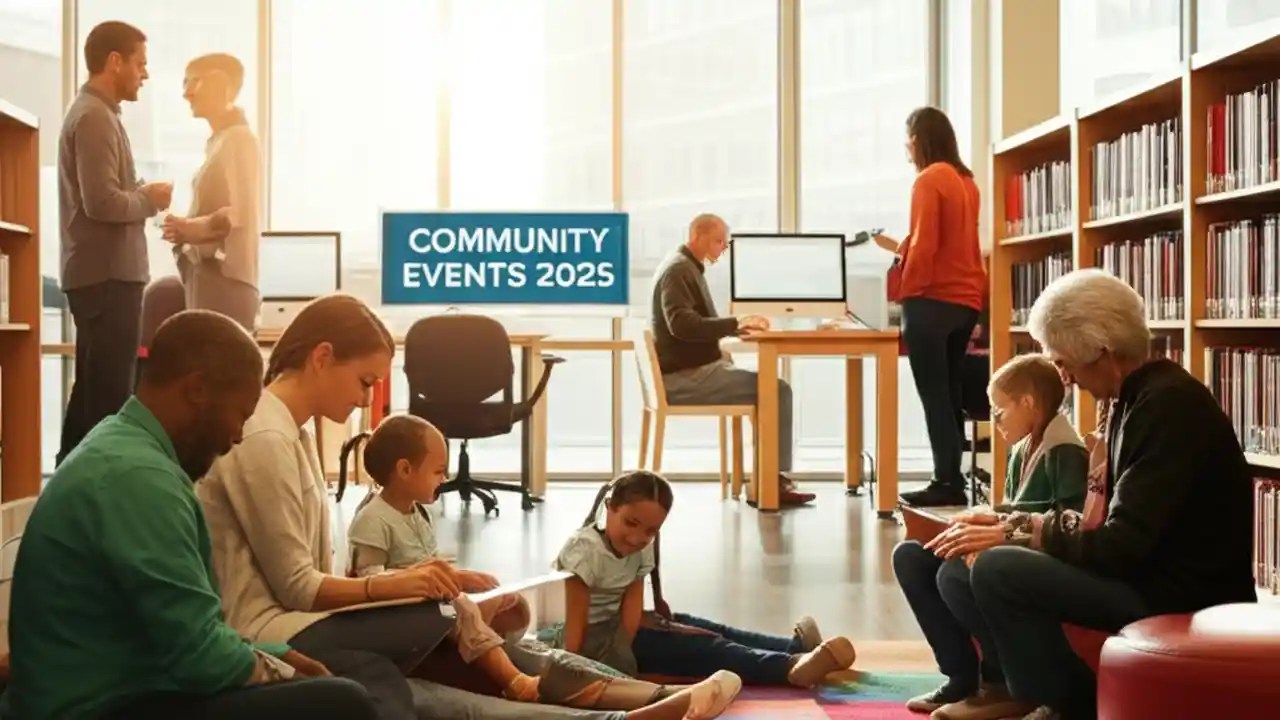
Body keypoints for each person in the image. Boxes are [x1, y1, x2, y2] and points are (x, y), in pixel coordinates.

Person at [198, 296, 738, 720]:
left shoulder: (288, 434)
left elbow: (309, 575)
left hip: (304, 620)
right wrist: (403, 586)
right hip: (278, 628)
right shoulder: (265, 437)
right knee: (451, 618)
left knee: (450, 656)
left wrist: (417, 579)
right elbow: (296, 587)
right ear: (321, 358)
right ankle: (633, 707)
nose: (367, 399)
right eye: (365, 381)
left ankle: (644, 700)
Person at [0, 311, 396, 720]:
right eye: (240, 414)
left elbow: (181, 633)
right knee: (341, 702)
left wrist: (278, 655)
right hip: (102, 704)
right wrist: (277, 668)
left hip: (118, 683)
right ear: (197, 390)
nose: (238, 435)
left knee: (337, 682)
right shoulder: (141, 479)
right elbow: (199, 657)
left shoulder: (120, 446)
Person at [967, 269, 1256, 719]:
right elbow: (1104, 525)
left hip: (1178, 591)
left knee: (999, 567)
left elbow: (1121, 545)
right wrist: (1016, 527)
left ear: (1101, 353)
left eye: (1065, 363)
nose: (1065, 379)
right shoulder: (1131, 400)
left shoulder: (1166, 407)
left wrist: (1025, 530)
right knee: (975, 561)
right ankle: (1040, 697)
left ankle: (1072, 704)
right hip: (1143, 573)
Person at [892, 353, 1088, 719]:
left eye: (999, 412)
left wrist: (998, 525)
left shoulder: (1066, 451)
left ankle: (1001, 682)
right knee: (911, 556)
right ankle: (961, 676)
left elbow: (1069, 520)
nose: (994, 422)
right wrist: (981, 517)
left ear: (1027, 404)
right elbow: (1016, 505)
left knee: (953, 572)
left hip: (1031, 560)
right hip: (1004, 545)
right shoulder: (1020, 449)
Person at [544, 471, 855, 686]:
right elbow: (572, 621)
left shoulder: (640, 547)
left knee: (703, 627)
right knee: (707, 649)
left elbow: (632, 610)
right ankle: (788, 668)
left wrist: (648, 633)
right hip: (590, 642)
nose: (638, 537)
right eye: (631, 523)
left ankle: (793, 647)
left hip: (622, 632)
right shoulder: (584, 550)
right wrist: (573, 670)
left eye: (650, 530)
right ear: (609, 508)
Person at [57, 20, 174, 465]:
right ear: (114, 61)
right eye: (140, 64)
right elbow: (102, 202)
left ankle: (70, 498)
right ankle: (99, 506)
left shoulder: (98, 114)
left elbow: (106, 192)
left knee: (91, 393)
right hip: (107, 277)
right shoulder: (93, 118)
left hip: (103, 275)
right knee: (108, 399)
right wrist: (149, 198)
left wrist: (141, 192)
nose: (144, 74)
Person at [651, 213, 814, 506]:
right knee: (776, 390)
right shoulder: (679, 271)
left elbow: (689, 324)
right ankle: (771, 482)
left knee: (766, 387)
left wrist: (734, 328)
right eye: (718, 241)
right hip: (684, 379)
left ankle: (764, 479)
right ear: (697, 236)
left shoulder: (683, 266)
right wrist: (733, 323)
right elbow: (682, 324)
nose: (722, 249)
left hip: (689, 372)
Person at [875, 107, 987, 508]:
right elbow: (951, 243)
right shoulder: (965, 181)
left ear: (919, 139)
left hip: (932, 301)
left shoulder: (928, 179)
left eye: (908, 137)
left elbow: (925, 247)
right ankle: (952, 478)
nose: (906, 146)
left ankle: (946, 481)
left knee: (934, 394)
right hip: (966, 302)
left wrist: (905, 293)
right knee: (950, 389)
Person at [161, 52, 262, 331]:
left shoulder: (239, 140)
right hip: (210, 280)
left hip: (225, 282)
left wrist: (189, 228)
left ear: (220, 85)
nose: (186, 93)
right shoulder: (220, 141)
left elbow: (239, 213)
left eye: (193, 82)